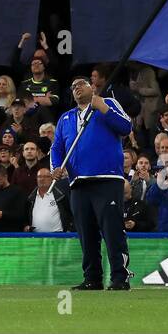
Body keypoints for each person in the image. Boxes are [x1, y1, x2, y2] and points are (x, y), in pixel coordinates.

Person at [51, 76, 133, 290]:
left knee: (112, 230)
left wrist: (103, 108)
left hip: (107, 178)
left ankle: (120, 277)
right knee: (86, 233)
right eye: (73, 86)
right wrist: (56, 167)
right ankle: (92, 278)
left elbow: (126, 127)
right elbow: (57, 147)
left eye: (81, 84)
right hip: (78, 182)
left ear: (92, 87)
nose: (76, 87)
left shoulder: (107, 104)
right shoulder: (66, 118)